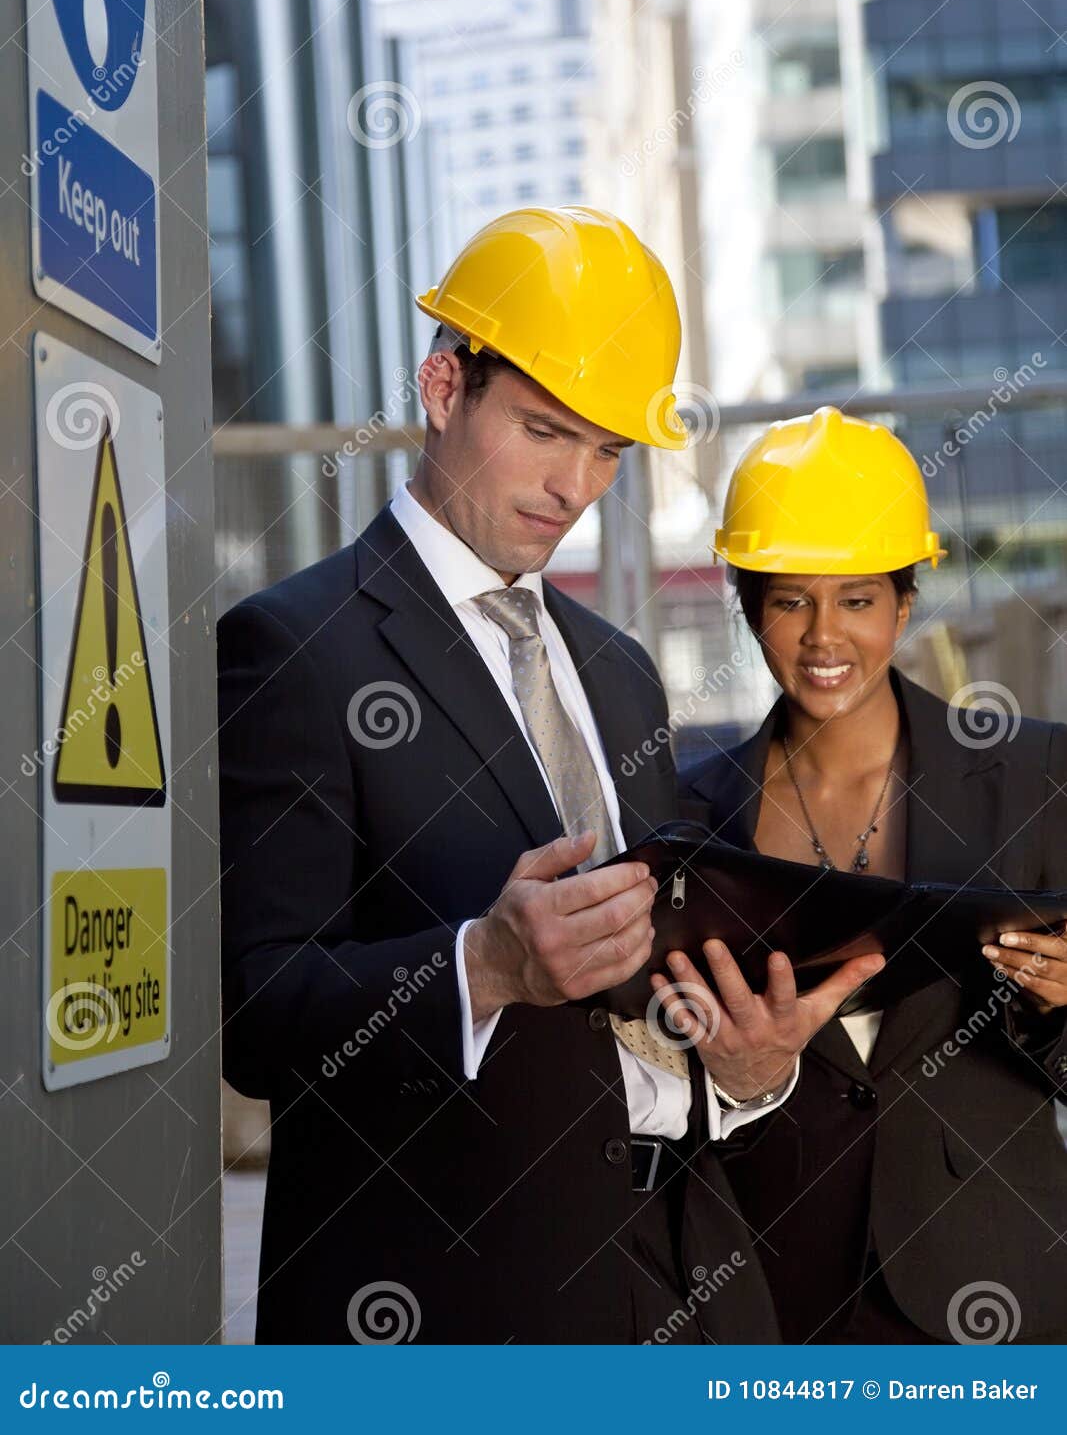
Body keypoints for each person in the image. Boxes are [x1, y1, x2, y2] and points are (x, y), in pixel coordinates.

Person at [218, 210, 881, 1345]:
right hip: (454, 1308)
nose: (574, 484)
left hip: (680, 1285)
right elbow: (258, 1015)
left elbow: (657, 963)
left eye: (608, 451)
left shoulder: (618, 676)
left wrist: (745, 1055)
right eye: (541, 430)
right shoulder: (296, 648)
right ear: (441, 387)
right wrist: (482, 964)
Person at [677, 405, 1067, 1344]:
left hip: (993, 1280)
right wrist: (727, 1076)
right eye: (789, 599)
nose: (823, 637)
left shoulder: (1035, 780)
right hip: (769, 1287)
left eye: (856, 599)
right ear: (746, 603)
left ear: (904, 601)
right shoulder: (689, 816)